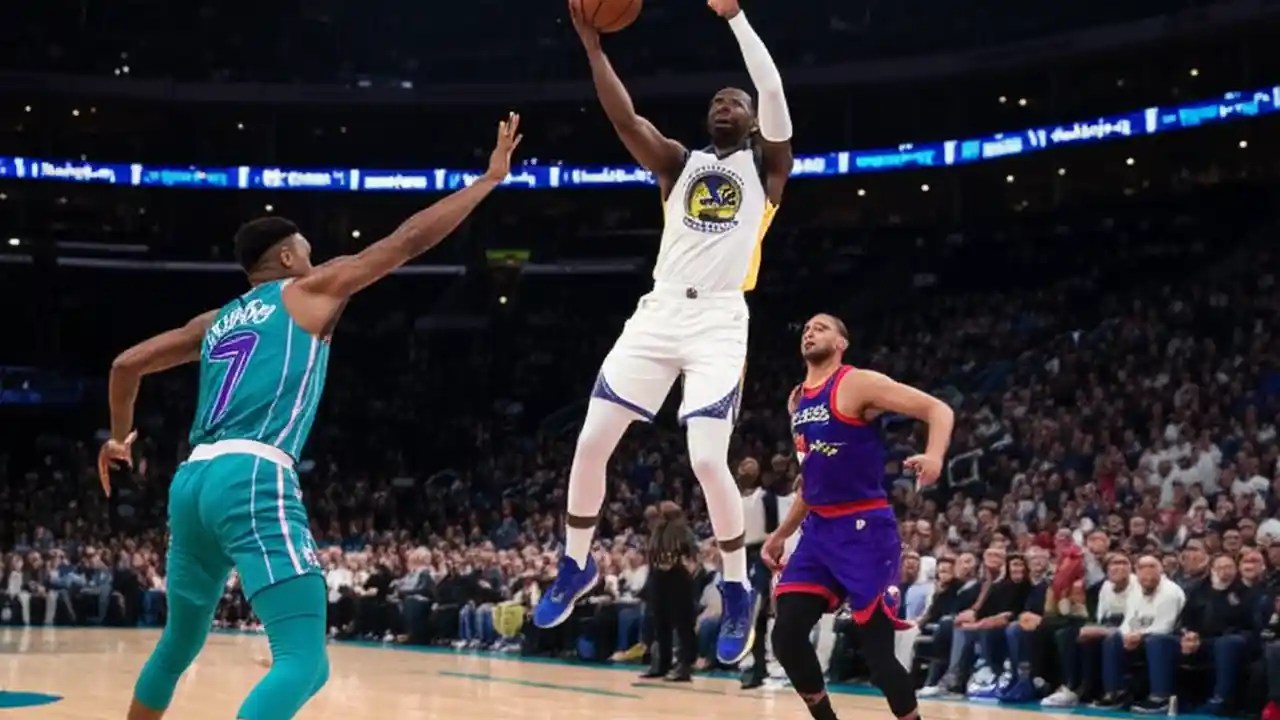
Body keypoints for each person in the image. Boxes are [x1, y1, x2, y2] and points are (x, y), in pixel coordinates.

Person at [95, 115, 523, 720]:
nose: (316, 259)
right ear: (291, 255)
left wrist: (117, 438)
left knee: (178, 643)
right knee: (303, 660)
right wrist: (488, 180)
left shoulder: (215, 321)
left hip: (190, 484)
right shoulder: (309, 289)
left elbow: (125, 365)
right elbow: (405, 241)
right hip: (252, 473)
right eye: (310, 252)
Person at [534, 0, 794, 667]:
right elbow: (624, 117)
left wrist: (736, 18)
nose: (726, 106)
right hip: (656, 315)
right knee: (590, 445)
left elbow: (771, 90)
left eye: (735, 101)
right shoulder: (678, 164)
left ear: (752, 116)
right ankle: (575, 565)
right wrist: (594, 51)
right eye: (717, 101)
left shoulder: (766, 171)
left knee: (709, 459)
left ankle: (738, 591)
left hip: (718, 319)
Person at [761, 313, 955, 720]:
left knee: (878, 656)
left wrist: (934, 455)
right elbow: (811, 480)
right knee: (787, 635)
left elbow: (938, 409)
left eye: (822, 327)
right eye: (807, 328)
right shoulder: (797, 400)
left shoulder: (856, 382)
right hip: (819, 531)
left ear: (842, 343)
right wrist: (782, 533)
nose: (810, 331)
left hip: (865, 529)